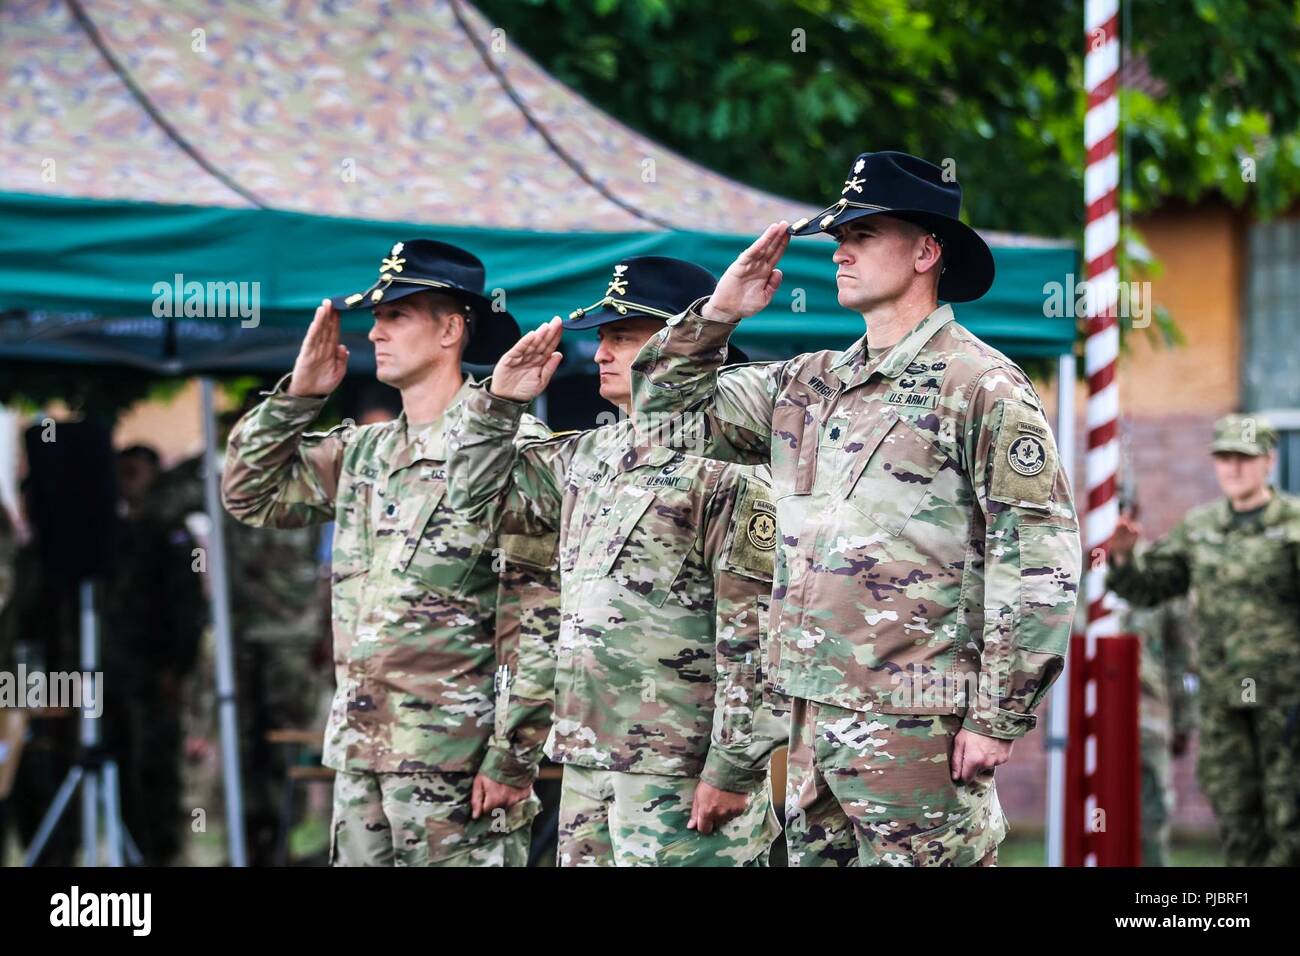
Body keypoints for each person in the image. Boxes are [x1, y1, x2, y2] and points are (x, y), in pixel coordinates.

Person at [628, 152, 1082, 866]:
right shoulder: (810, 383)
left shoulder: (981, 385)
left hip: (919, 726)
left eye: (864, 234)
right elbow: (658, 414)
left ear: (927, 250)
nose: (840, 249)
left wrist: (998, 716)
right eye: (840, 234)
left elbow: (1038, 564)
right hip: (814, 720)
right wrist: (717, 316)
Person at [448, 257, 787, 865]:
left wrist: (736, 766)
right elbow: (472, 496)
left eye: (623, 337)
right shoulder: (589, 455)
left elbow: (755, 634)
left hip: (680, 769)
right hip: (589, 759)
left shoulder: (730, 471)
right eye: (602, 337)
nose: (602, 352)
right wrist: (499, 403)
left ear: (675, 347)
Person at [222, 239, 548, 866]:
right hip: (362, 748)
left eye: (396, 315)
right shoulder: (364, 453)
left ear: (451, 328)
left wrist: (515, 754)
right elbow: (248, 493)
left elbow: (535, 613)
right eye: (375, 317)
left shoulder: (510, 448)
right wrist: (298, 399)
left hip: (458, 759)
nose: (374, 332)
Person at [1108, 413, 1300, 866]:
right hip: (1224, 705)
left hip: (1286, 704)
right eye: (1225, 458)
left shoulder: (1293, 526)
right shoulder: (1200, 527)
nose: (1233, 468)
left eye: (1245, 459)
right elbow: (1151, 587)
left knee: (1290, 821)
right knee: (1237, 821)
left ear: (1268, 462)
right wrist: (1122, 558)